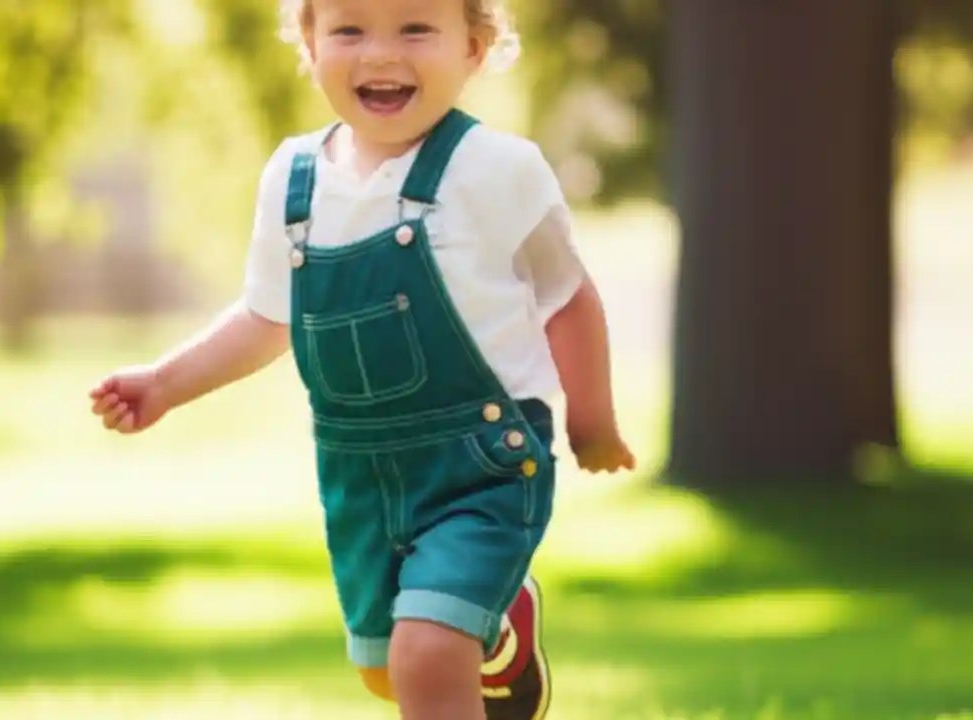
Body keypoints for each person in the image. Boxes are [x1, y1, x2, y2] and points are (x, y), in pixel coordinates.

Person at [88, 0, 635, 717]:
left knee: (427, 654)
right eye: (349, 29)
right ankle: (501, 631)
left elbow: (566, 298)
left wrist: (592, 421)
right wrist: (165, 382)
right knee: (388, 672)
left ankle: (469, 628)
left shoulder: (498, 169)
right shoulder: (294, 180)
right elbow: (265, 316)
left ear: (473, 48)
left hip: (483, 463)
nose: (380, 54)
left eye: (415, 28)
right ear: (308, 44)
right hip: (360, 479)